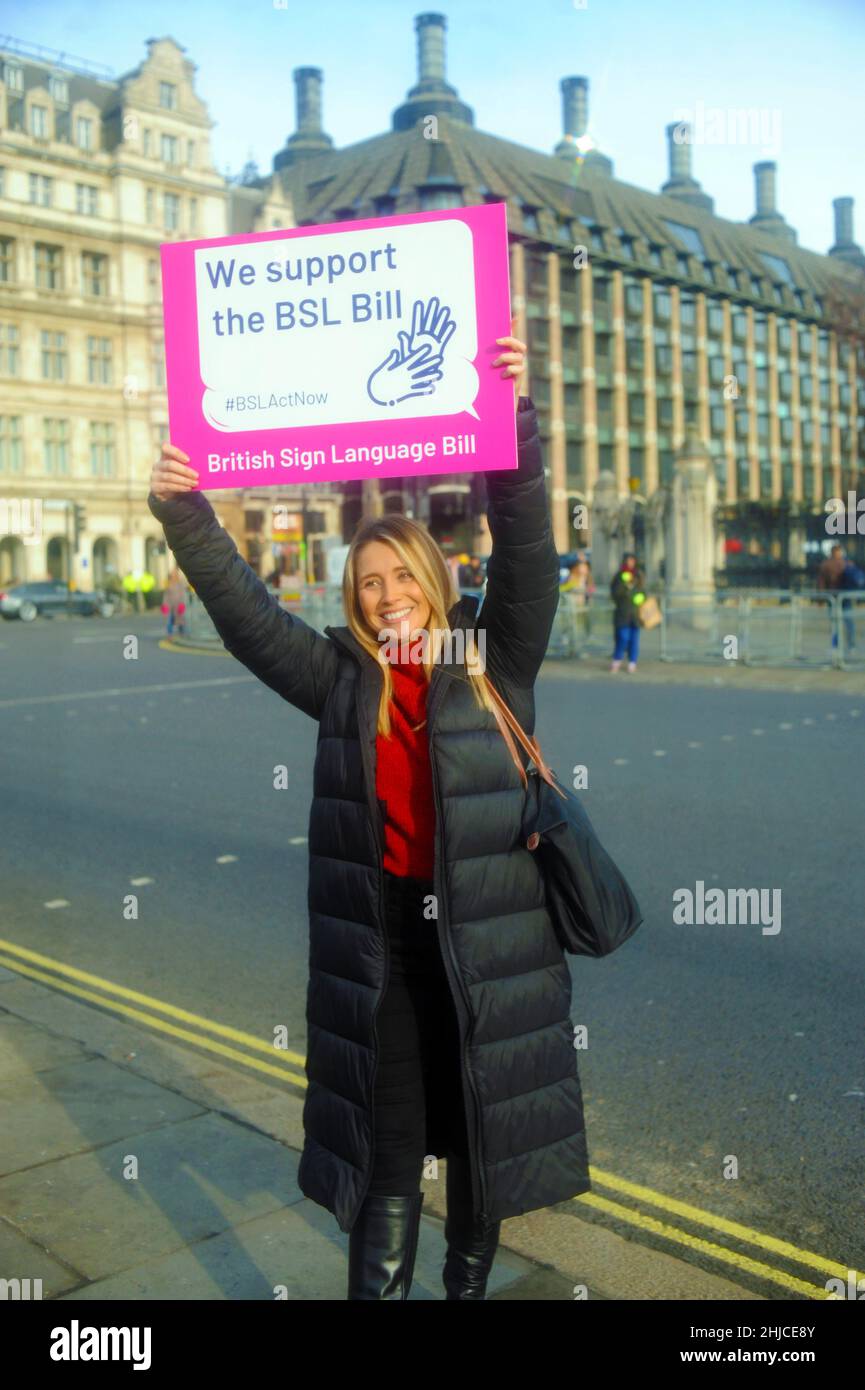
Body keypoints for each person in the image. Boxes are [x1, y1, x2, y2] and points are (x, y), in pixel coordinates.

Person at [146, 331, 592, 1302]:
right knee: (388, 1160)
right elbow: (250, 617)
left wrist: (509, 420)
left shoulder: (491, 657)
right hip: (386, 948)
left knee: (484, 1143)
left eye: (404, 577)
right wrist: (185, 511)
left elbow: (525, 555)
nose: (389, 595)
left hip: (488, 938)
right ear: (356, 598)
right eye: (370, 581)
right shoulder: (342, 681)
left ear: (435, 581)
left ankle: (465, 1289)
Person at [610, 551, 647, 672]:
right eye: (628, 560)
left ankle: (632, 662)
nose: (631, 563)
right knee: (623, 637)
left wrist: (639, 598)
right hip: (622, 613)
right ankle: (617, 659)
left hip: (635, 614)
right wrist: (625, 586)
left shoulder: (638, 575)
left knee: (634, 639)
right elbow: (615, 593)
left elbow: (643, 593)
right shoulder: (619, 576)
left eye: (633, 560)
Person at [161, 567, 188, 636]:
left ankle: (181, 633)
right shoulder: (168, 583)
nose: (173, 575)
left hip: (178, 604)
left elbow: (183, 594)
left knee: (180, 620)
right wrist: (164, 605)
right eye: (172, 574)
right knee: (169, 620)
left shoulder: (181, 583)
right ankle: (169, 634)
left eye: (175, 574)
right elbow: (166, 595)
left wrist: (182, 604)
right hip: (169, 605)